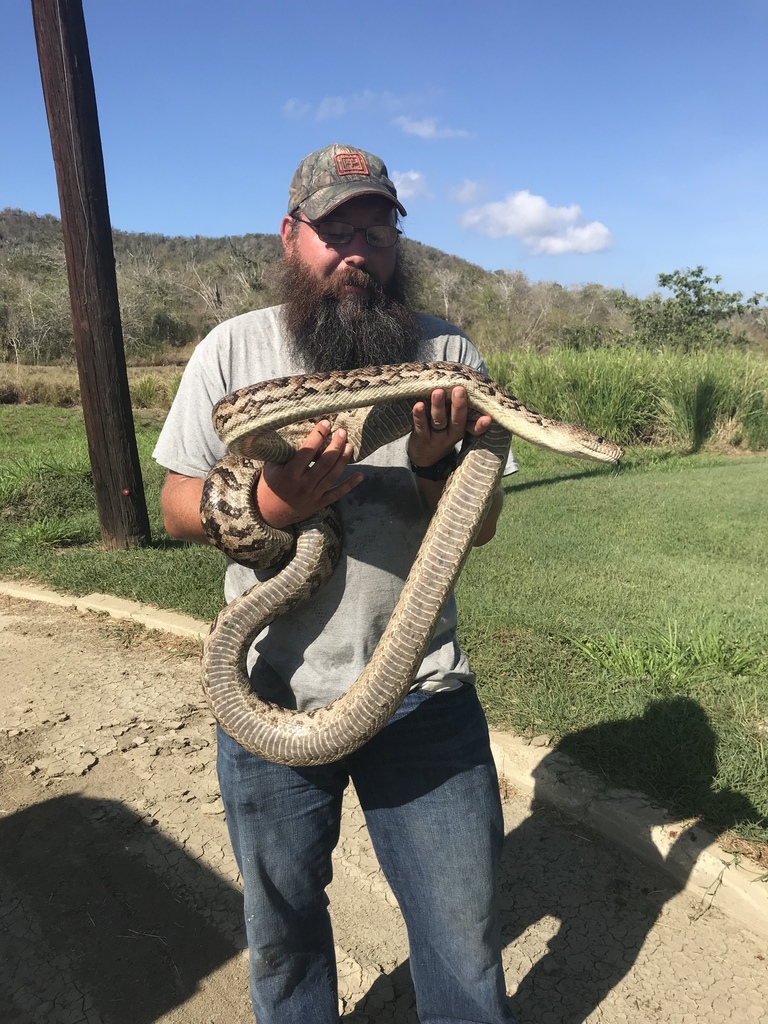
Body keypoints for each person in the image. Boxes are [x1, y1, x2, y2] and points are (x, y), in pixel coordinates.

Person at [153, 143, 519, 1024]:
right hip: (271, 690)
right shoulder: (233, 350)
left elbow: (477, 523)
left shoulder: (446, 353)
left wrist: (431, 461)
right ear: (292, 237)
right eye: (336, 231)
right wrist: (271, 505)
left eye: (377, 231)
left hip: (423, 694)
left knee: (464, 938)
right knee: (282, 938)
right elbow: (173, 504)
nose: (359, 251)